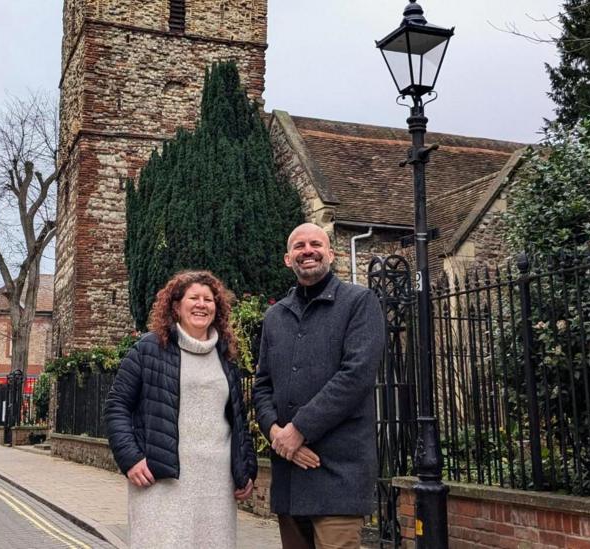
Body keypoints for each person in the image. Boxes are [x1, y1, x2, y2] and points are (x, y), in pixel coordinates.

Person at [253, 223, 386, 549]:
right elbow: (261, 386)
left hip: (337, 476)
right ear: (288, 259)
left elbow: (356, 376)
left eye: (315, 244)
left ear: (331, 253)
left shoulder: (359, 303)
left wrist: (298, 430)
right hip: (290, 478)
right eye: (299, 246)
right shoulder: (275, 316)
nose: (307, 250)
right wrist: (277, 435)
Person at [105, 270, 257, 549]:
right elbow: (117, 407)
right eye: (194, 298)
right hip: (162, 481)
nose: (202, 304)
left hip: (216, 484)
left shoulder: (225, 356)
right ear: (176, 306)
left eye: (209, 299)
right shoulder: (148, 349)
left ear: (217, 308)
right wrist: (130, 458)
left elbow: (238, 420)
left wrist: (246, 468)